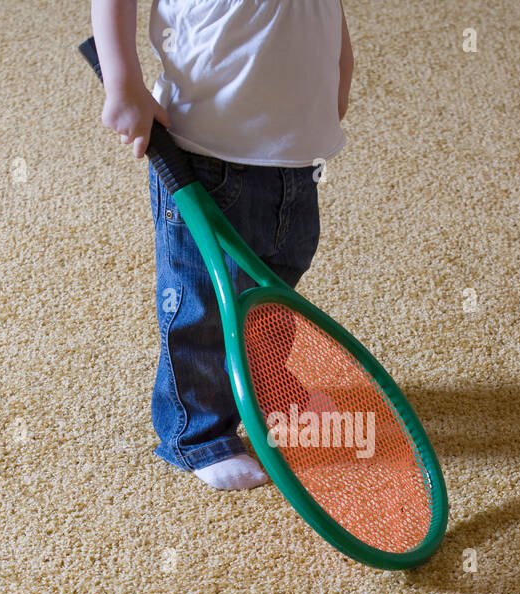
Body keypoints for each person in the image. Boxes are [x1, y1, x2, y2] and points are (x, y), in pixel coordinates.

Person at [90, 0, 353, 489]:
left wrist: (338, 70)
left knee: (274, 288)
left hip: (298, 157)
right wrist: (123, 80)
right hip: (208, 155)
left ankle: (268, 388)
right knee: (202, 304)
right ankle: (198, 434)